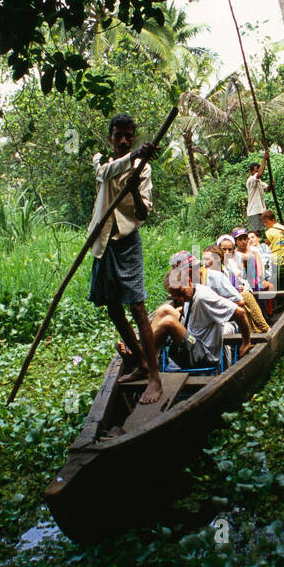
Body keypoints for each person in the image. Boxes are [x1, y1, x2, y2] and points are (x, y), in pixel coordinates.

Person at [88, 113, 162, 404]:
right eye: (117, 135)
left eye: (128, 135)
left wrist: (133, 188)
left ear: (133, 136)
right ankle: (140, 362)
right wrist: (133, 156)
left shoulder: (144, 170)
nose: (122, 140)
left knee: (138, 307)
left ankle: (154, 378)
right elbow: (105, 174)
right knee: (112, 306)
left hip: (127, 241)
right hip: (103, 240)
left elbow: (144, 213)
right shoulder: (103, 162)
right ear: (111, 138)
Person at [150, 269, 252, 371]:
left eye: (181, 293)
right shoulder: (192, 291)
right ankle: (147, 354)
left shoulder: (203, 297)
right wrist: (179, 311)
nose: (180, 299)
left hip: (203, 353)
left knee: (168, 322)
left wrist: (246, 342)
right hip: (192, 338)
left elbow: (240, 312)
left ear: (189, 281)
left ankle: (147, 362)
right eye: (176, 296)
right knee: (164, 310)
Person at [204, 245, 268, 333]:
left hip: (227, 301)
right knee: (243, 299)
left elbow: (241, 283)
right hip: (215, 307)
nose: (204, 262)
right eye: (204, 259)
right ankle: (262, 329)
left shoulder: (226, 271)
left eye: (207, 259)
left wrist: (240, 287)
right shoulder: (204, 274)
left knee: (245, 296)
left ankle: (257, 329)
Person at [261, 209, 284, 291]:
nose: (265, 224)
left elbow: (265, 246)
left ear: (273, 220)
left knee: (276, 285)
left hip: (276, 262)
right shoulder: (283, 228)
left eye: (266, 222)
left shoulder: (270, 232)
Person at [245, 159, 270, 234]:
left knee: (263, 231)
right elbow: (259, 174)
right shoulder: (250, 180)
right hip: (254, 211)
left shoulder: (259, 181)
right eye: (256, 171)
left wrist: (271, 184)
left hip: (261, 210)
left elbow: (267, 189)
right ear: (251, 171)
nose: (257, 173)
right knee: (256, 233)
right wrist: (265, 159)